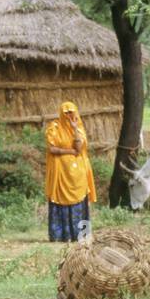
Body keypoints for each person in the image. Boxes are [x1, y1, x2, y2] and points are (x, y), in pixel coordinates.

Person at [44, 101, 97, 243]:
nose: (69, 115)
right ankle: (59, 236)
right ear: (61, 113)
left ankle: (82, 235)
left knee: (80, 202)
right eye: (66, 112)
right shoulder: (53, 128)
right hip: (59, 172)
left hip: (77, 174)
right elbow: (52, 149)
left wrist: (74, 129)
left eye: (71, 112)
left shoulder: (79, 129)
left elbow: (79, 149)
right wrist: (69, 151)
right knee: (59, 200)